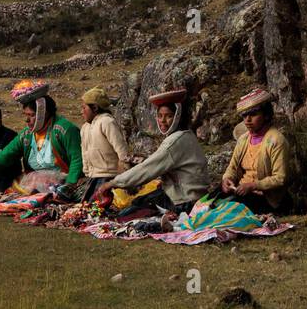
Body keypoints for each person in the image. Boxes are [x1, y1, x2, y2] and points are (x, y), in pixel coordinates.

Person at [93, 88, 208, 216]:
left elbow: (147, 169)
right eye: (159, 116)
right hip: (191, 197)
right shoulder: (185, 135)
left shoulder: (176, 141)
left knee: (130, 213)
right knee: (139, 201)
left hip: (185, 202)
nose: (163, 121)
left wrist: (112, 183)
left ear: (178, 117)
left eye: (169, 116)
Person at [0, 80, 83, 194]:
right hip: (35, 182)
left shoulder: (64, 129)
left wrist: (69, 186)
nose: (27, 120)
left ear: (44, 113)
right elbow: (4, 156)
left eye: (31, 115)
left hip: (62, 181)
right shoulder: (27, 135)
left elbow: (77, 159)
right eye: (25, 115)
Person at [220, 88, 291, 215]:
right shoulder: (243, 140)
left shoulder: (276, 140)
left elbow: (280, 178)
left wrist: (253, 186)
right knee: (212, 202)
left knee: (227, 211)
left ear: (266, 115)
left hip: (266, 199)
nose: (247, 120)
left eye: (253, 114)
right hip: (241, 192)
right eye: (244, 116)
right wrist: (227, 179)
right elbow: (232, 167)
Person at [77, 86, 131, 201]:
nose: (81, 112)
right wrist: (86, 171)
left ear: (95, 107)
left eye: (84, 108)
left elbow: (121, 149)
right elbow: (84, 152)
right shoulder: (85, 128)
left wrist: (123, 175)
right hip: (93, 176)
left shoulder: (107, 122)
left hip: (109, 175)